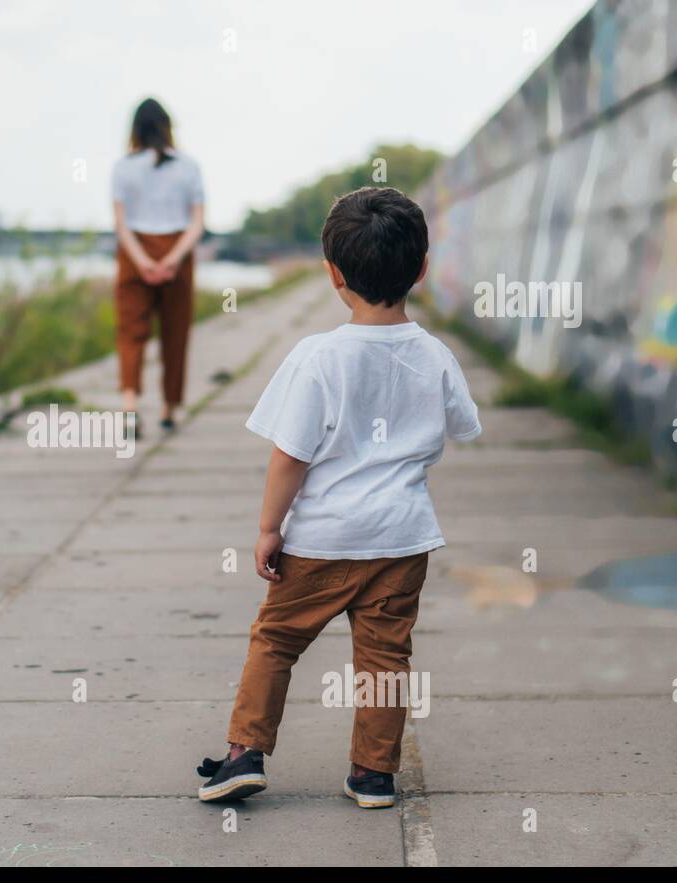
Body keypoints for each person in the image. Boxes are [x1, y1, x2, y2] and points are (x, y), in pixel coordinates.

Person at [196, 187, 483, 808]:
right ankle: (373, 775)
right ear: (422, 268)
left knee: (276, 640)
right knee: (385, 658)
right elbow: (464, 426)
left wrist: (270, 528)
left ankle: (245, 754)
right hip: (403, 539)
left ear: (333, 274)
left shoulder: (318, 357)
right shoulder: (434, 356)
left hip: (322, 539)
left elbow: (290, 455)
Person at [111, 98, 205, 437]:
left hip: (134, 253)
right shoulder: (189, 166)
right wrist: (172, 259)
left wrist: (143, 262)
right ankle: (168, 408)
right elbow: (197, 223)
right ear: (168, 126)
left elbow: (121, 224)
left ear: (134, 128)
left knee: (130, 332)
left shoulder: (122, 167)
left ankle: (129, 406)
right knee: (175, 333)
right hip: (176, 250)